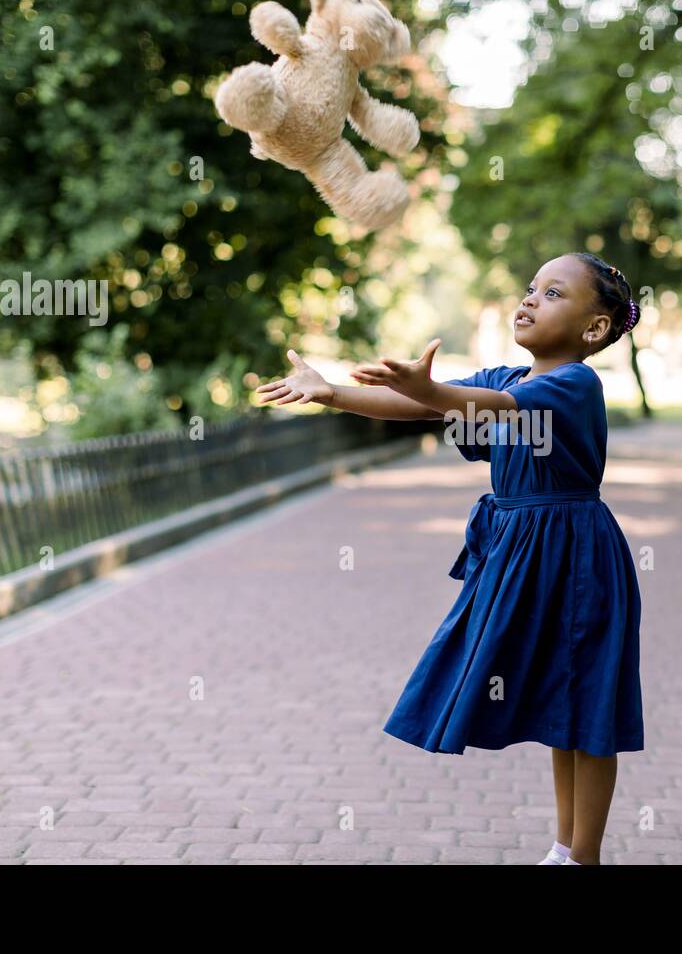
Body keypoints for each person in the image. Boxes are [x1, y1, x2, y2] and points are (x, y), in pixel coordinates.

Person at [255, 252, 644, 865]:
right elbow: (424, 407)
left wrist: (432, 389)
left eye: (552, 293)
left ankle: (583, 857)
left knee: (587, 706)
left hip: (576, 560)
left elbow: (477, 409)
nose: (530, 299)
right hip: (523, 556)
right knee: (560, 700)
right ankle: (563, 848)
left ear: (594, 328)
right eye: (530, 287)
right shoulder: (508, 378)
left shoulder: (574, 384)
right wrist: (331, 393)